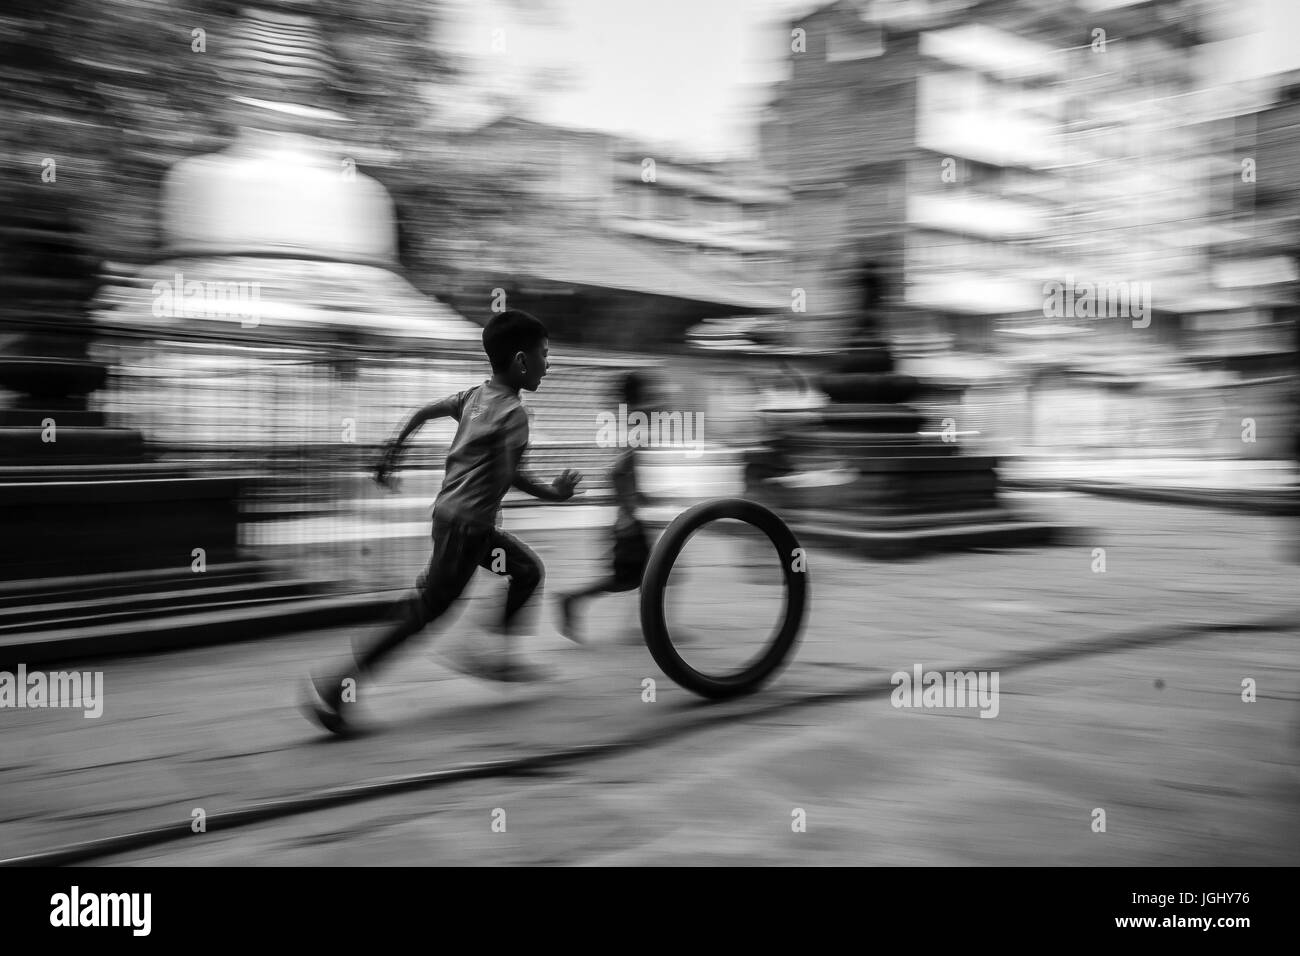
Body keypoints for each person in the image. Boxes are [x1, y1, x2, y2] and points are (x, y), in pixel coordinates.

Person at [303, 309, 582, 735]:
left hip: (455, 522)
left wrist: (392, 453)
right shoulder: (513, 415)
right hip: (467, 529)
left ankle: (498, 656)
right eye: (545, 356)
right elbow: (511, 477)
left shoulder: (473, 396)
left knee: (525, 571)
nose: (549, 365)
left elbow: (422, 413)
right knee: (427, 611)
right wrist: (555, 493)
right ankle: (335, 688)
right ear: (522, 361)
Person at [555, 370, 653, 643]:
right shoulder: (634, 423)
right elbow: (618, 470)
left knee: (642, 575)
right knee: (639, 576)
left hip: (627, 515)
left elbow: (625, 469)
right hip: (627, 518)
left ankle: (646, 626)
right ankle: (573, 600)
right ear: (639, 393)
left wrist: (637, 495)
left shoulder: (626, 420)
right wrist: (630, 504)